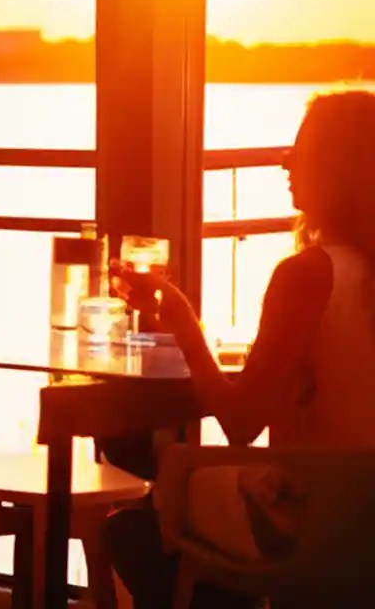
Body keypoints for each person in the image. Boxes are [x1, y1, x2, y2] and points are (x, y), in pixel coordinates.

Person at [107, 89, 375, 608]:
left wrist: (182, 321)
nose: (285, 160)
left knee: (137, 516)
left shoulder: (307, 275)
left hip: (308, 526)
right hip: (365, 527)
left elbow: (240, 421)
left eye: (301, 148)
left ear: (338, 168)